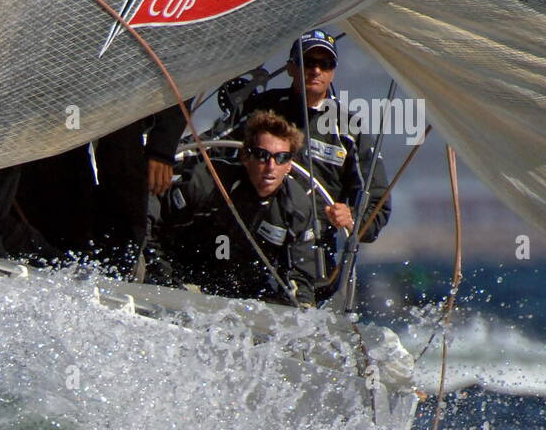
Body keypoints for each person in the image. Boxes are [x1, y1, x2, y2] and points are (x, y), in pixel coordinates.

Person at [143, 109, 320, 307]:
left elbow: (300, 274)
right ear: (246, 156)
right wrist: (161, 273)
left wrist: (303, 308)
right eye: (262, 155)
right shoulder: (207, 180)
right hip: (180, 276)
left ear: (289, 165)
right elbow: (150, 215)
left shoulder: (297, 208)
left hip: (244, 294)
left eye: (281, 158)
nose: (271, 166)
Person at [241, 29, 392, 250]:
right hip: (247, 234)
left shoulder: (348, 129)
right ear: (291, 67)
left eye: (326, 64)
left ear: (333, 72)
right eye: (308, 62)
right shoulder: (261, 108)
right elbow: (215, 152)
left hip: (312, 249)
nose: (316, 70)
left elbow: (378, 201)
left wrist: (351, 218)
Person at [15, 102, 189, 272]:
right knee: (59, 163)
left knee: (123, 159)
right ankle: (63, 254)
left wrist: (162, 149)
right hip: (64, 101)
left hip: (125, 96)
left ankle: (121, 263)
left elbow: (179, 76)